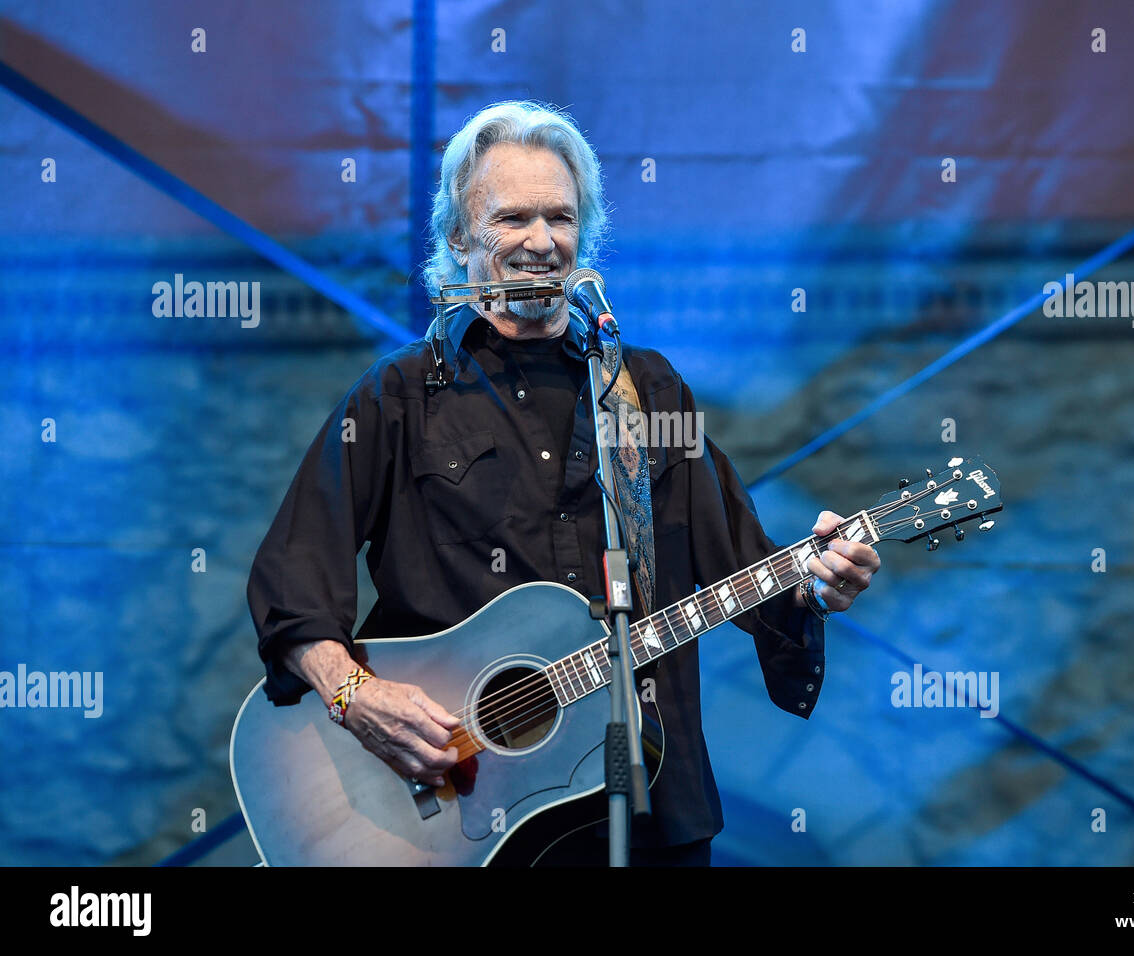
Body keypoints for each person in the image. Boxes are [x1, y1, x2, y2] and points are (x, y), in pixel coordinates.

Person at [246, 100, 881, 866]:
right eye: (513, 219)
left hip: (648, 803)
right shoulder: (399, 396)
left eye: (561, 218)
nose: (542, 243)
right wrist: (354, 697)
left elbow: (737, 563)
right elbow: (293, 582)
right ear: (458, 237)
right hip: (459, 815)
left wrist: (815, 582)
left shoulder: (645, 389)